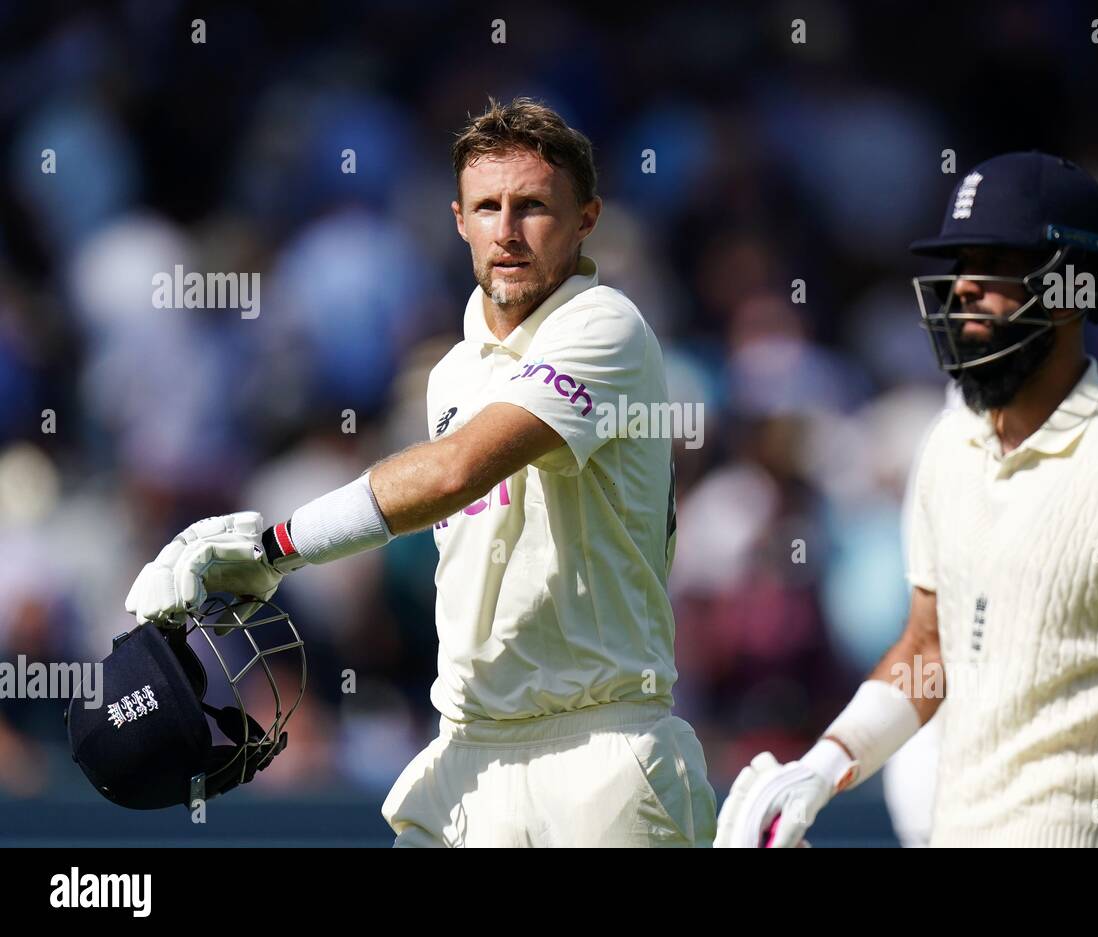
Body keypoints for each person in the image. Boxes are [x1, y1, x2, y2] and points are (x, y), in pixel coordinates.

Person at [125, 96, 715, 848]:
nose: (506, 231)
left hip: (599, 754)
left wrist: (269, 548)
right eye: (487, 207)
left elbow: (454, 470)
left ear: (587, 219)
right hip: (468, 752)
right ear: (458, 219)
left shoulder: (605, 325)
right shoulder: (449, 374)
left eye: (533, 206)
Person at [715, 152, 1098, 848]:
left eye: (994, 262)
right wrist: (826, 763)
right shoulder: (949, 445)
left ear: (1070, 287)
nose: (964, 286)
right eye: (960, 262)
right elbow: (928, 648)